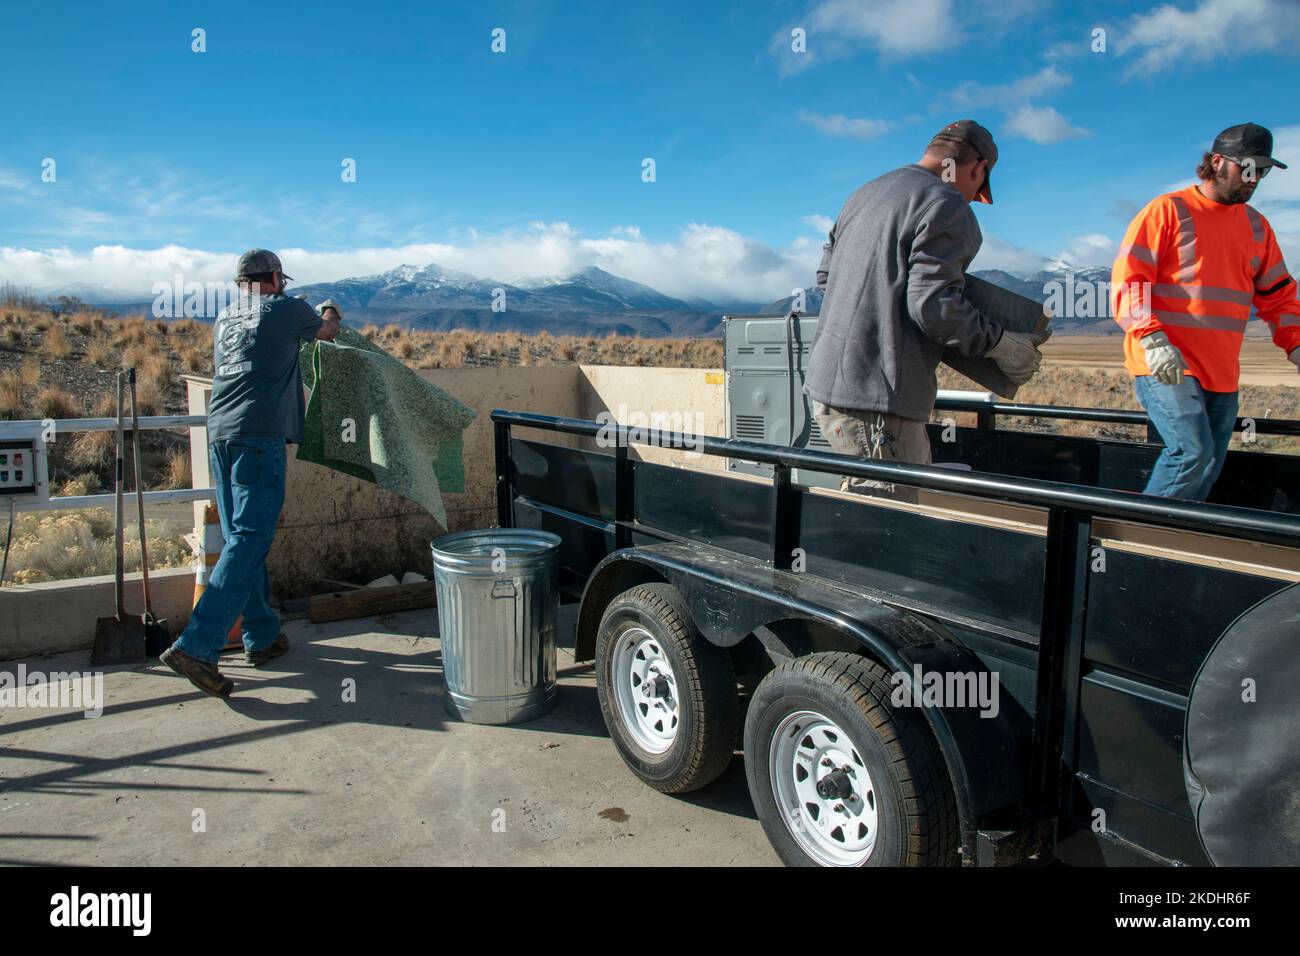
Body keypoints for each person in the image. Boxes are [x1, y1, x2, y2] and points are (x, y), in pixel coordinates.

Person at [805, 120, 1047, 492]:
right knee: (893, 529)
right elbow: (932, 305)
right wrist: (999, 343)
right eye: (977, 190)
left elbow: (827, 277)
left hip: (831, 391)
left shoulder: (866, 193)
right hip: (879, 404)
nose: (971, 200)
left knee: (864, 513)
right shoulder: (945, 203)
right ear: (978, 167)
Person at [161, 250, 340, 697]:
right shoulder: (285, 308)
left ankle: (260, 635)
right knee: (251, 537)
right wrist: (329, 309)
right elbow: (328, 333)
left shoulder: (225, 317)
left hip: (220, 433)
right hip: (259, 435)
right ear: (276, 276)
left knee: (243, 537)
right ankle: (197, 645)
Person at [1113, 123, 1298, 500]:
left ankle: (1177, 548)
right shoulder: (1168, 211)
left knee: (1209, 464)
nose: (1254, 179)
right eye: (1248, 168)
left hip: (1222, 373)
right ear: (1217, 162)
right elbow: (1128, 283)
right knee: (1190, 455)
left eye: (1261, 172)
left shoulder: (1257, 228)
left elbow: (1280, 298)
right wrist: (1152, 337)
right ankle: (1133, 544)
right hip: (1165, 362)